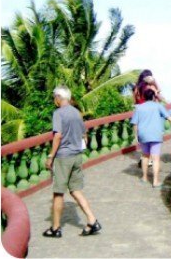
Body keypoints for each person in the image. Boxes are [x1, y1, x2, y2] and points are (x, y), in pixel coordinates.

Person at [42, 86, 101, 238]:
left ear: (58, 97)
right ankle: (92, 220)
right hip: (76, 156)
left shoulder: (58, 113)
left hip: (63, 157)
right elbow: (84, 133)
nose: (54, 100)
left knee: (58, 193)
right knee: (75, 190)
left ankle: (55, 228)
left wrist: (50, 156)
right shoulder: (76, 112)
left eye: (54, 97)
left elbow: (57, 136)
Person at [131, 88, 171, 187]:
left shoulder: (139, 108)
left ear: (144, 97)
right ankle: (155, 181)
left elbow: (135, 123)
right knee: (155, 158)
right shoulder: (158, 106)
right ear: (153, 97)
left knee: (145, 156)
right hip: (155, 134)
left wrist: (136, 135)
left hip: (143, 134)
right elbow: (168, 117)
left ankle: (145, 177)